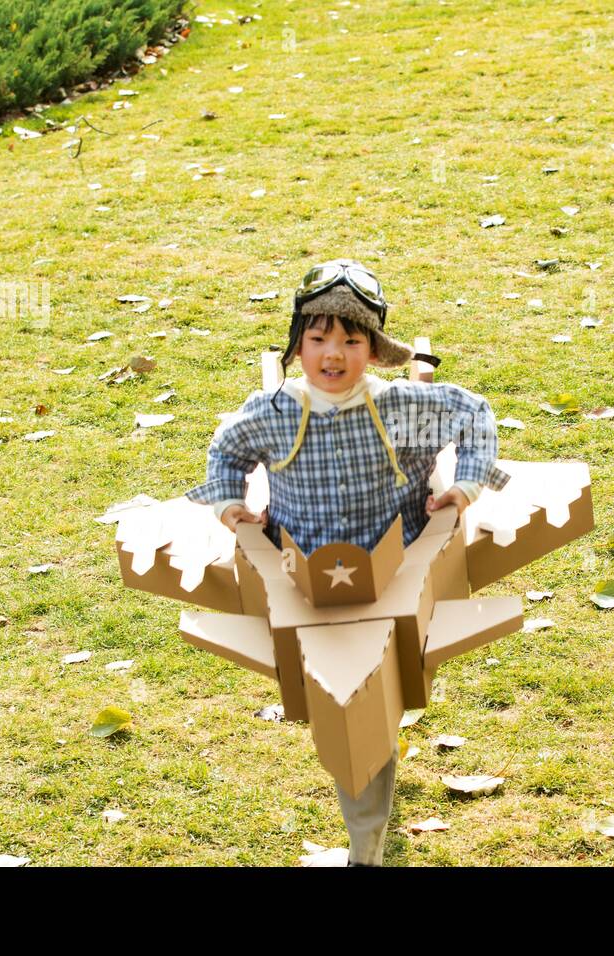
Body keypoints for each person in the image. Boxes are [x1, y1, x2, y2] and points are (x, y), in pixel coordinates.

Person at [186, 258, 508, 863]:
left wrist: (464, 487)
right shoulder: (273, 412)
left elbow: (475, 414)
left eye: (351, 341)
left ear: (372, 349)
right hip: (305, 574)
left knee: (371, 700)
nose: (332, 355)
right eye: (317, 339)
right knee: (343, 702)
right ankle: (368, 820)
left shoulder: (398, 411)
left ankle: (367, 844)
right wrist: (231, 505)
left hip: (392, 568)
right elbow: (225, 450)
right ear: (297, 346)